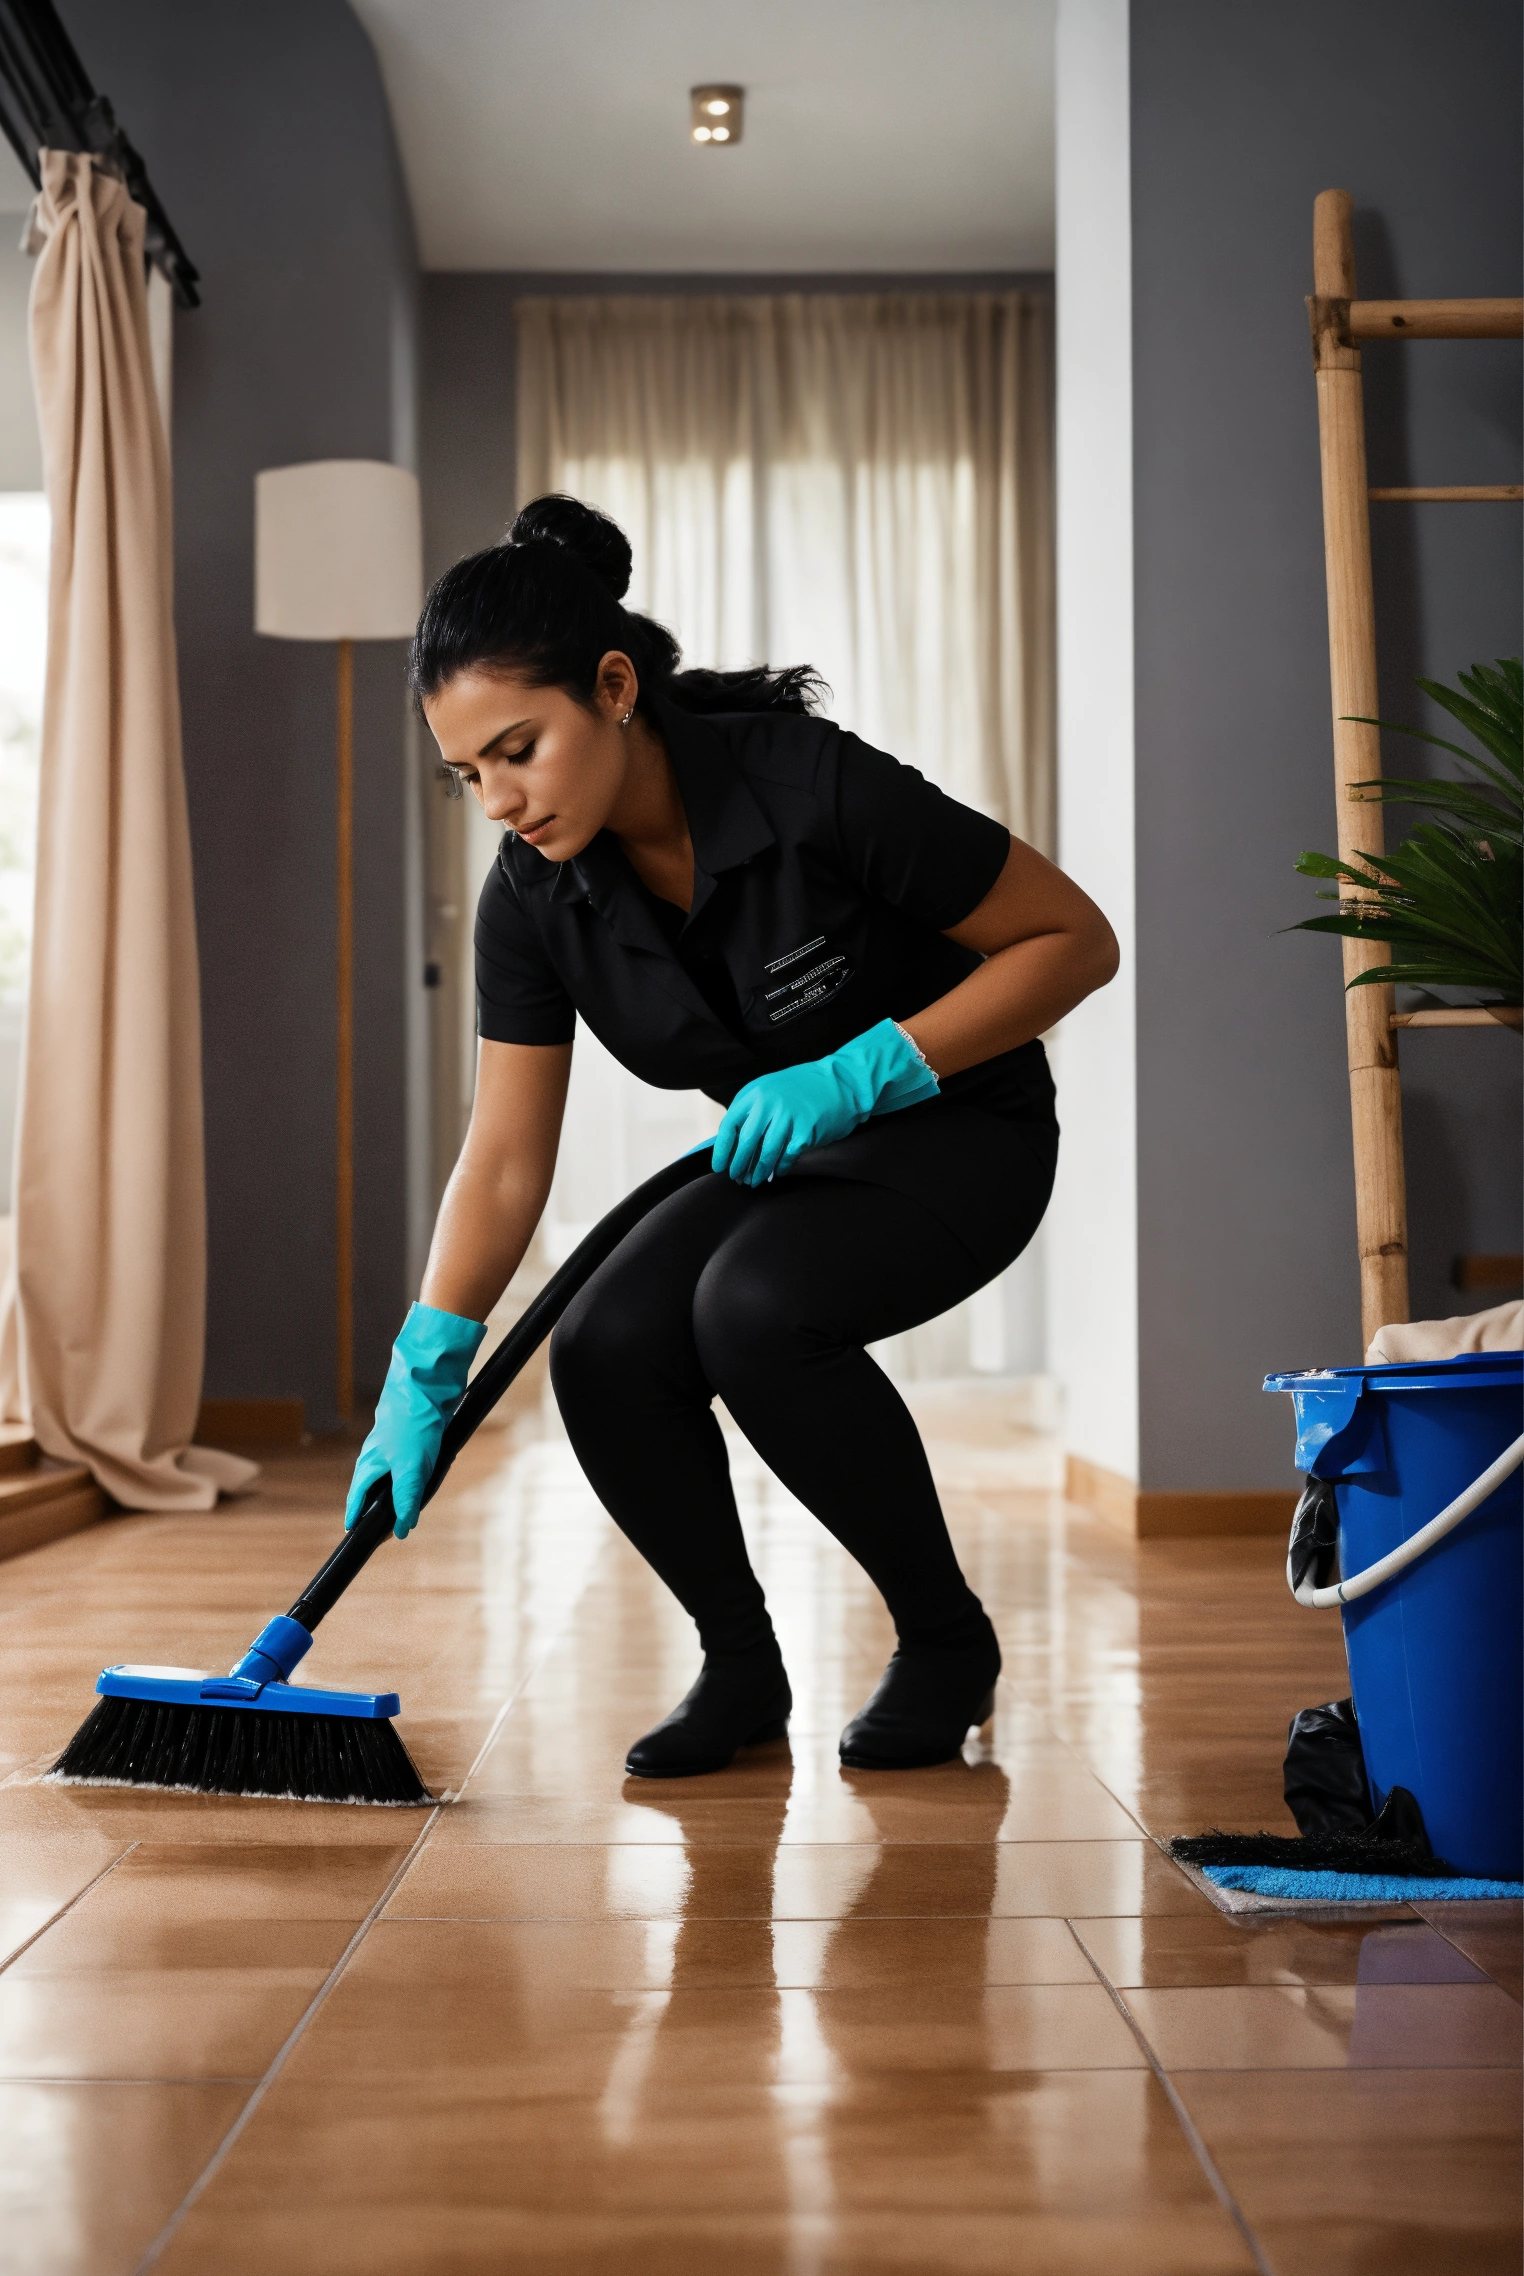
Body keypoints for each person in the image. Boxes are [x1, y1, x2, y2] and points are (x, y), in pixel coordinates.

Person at [346, 496, 1118, 1779]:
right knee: (600, 1341)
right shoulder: (533, 898)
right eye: (465, 772)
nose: (494, 800)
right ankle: (740, 1666)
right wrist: (428, 1354)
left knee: (751, 1310)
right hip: (789, 1161)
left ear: (612, 687)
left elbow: (1072, 941)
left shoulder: (805, 784)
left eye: (517, 750)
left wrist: (866, 1064)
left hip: (956, 1125)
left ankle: (942, 1640)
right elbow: (504, 1154)